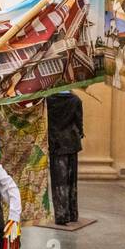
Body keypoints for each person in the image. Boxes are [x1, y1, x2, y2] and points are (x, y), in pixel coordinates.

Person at [45, 90, 84, 225]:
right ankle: (73, 213)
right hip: (72, 142)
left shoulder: (49, 99)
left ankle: (62, 215)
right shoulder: (76, 100)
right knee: (71, 180)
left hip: (56, 143)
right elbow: (79, 122)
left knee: (59, 181)